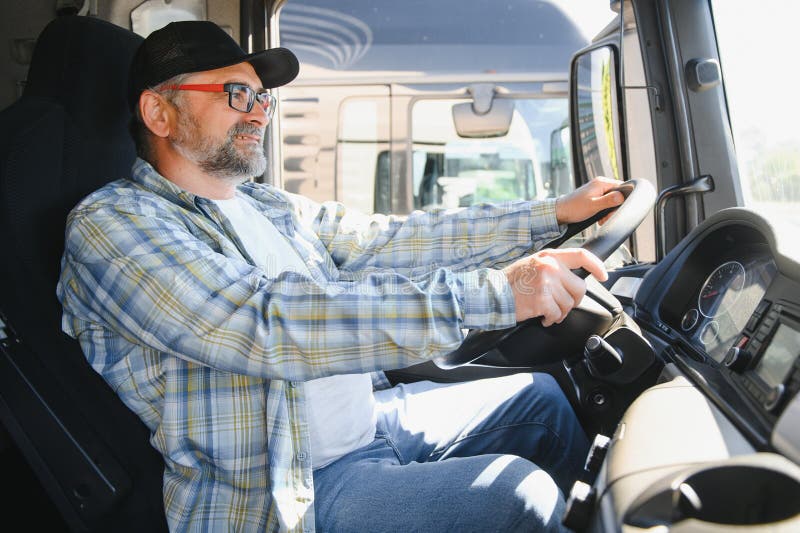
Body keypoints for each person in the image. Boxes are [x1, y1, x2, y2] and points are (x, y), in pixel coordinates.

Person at [57, 21, 624, 533]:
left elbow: (389, 240)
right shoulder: (113, 225)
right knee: (515, 496)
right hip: (289, 490)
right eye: (236, 94)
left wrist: (551, 215)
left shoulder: (264, 205)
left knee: (542, 401)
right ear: (159, 114)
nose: (257, 112)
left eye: (261, 98)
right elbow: (263, 321)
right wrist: (498, 294)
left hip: (368, 426)